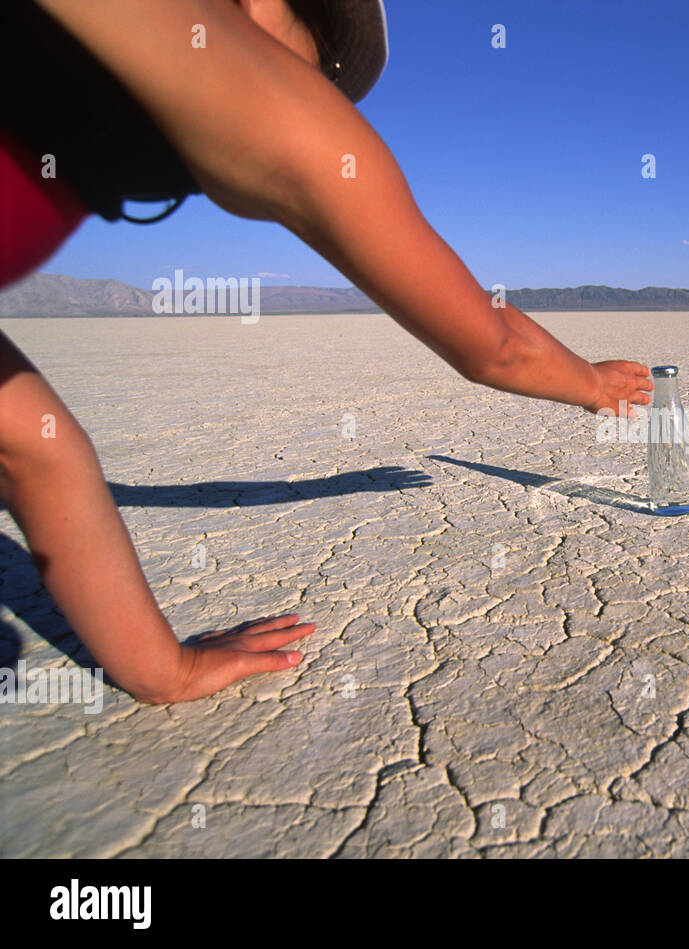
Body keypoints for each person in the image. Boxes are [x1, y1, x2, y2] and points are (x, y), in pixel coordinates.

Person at [0, 0, 653, 703]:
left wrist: (165, 669)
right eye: (314, 76)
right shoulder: (265, 93)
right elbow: (491, 343)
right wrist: (591, 383)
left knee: (49, 443)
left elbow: (36, 455)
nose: (313, 100)